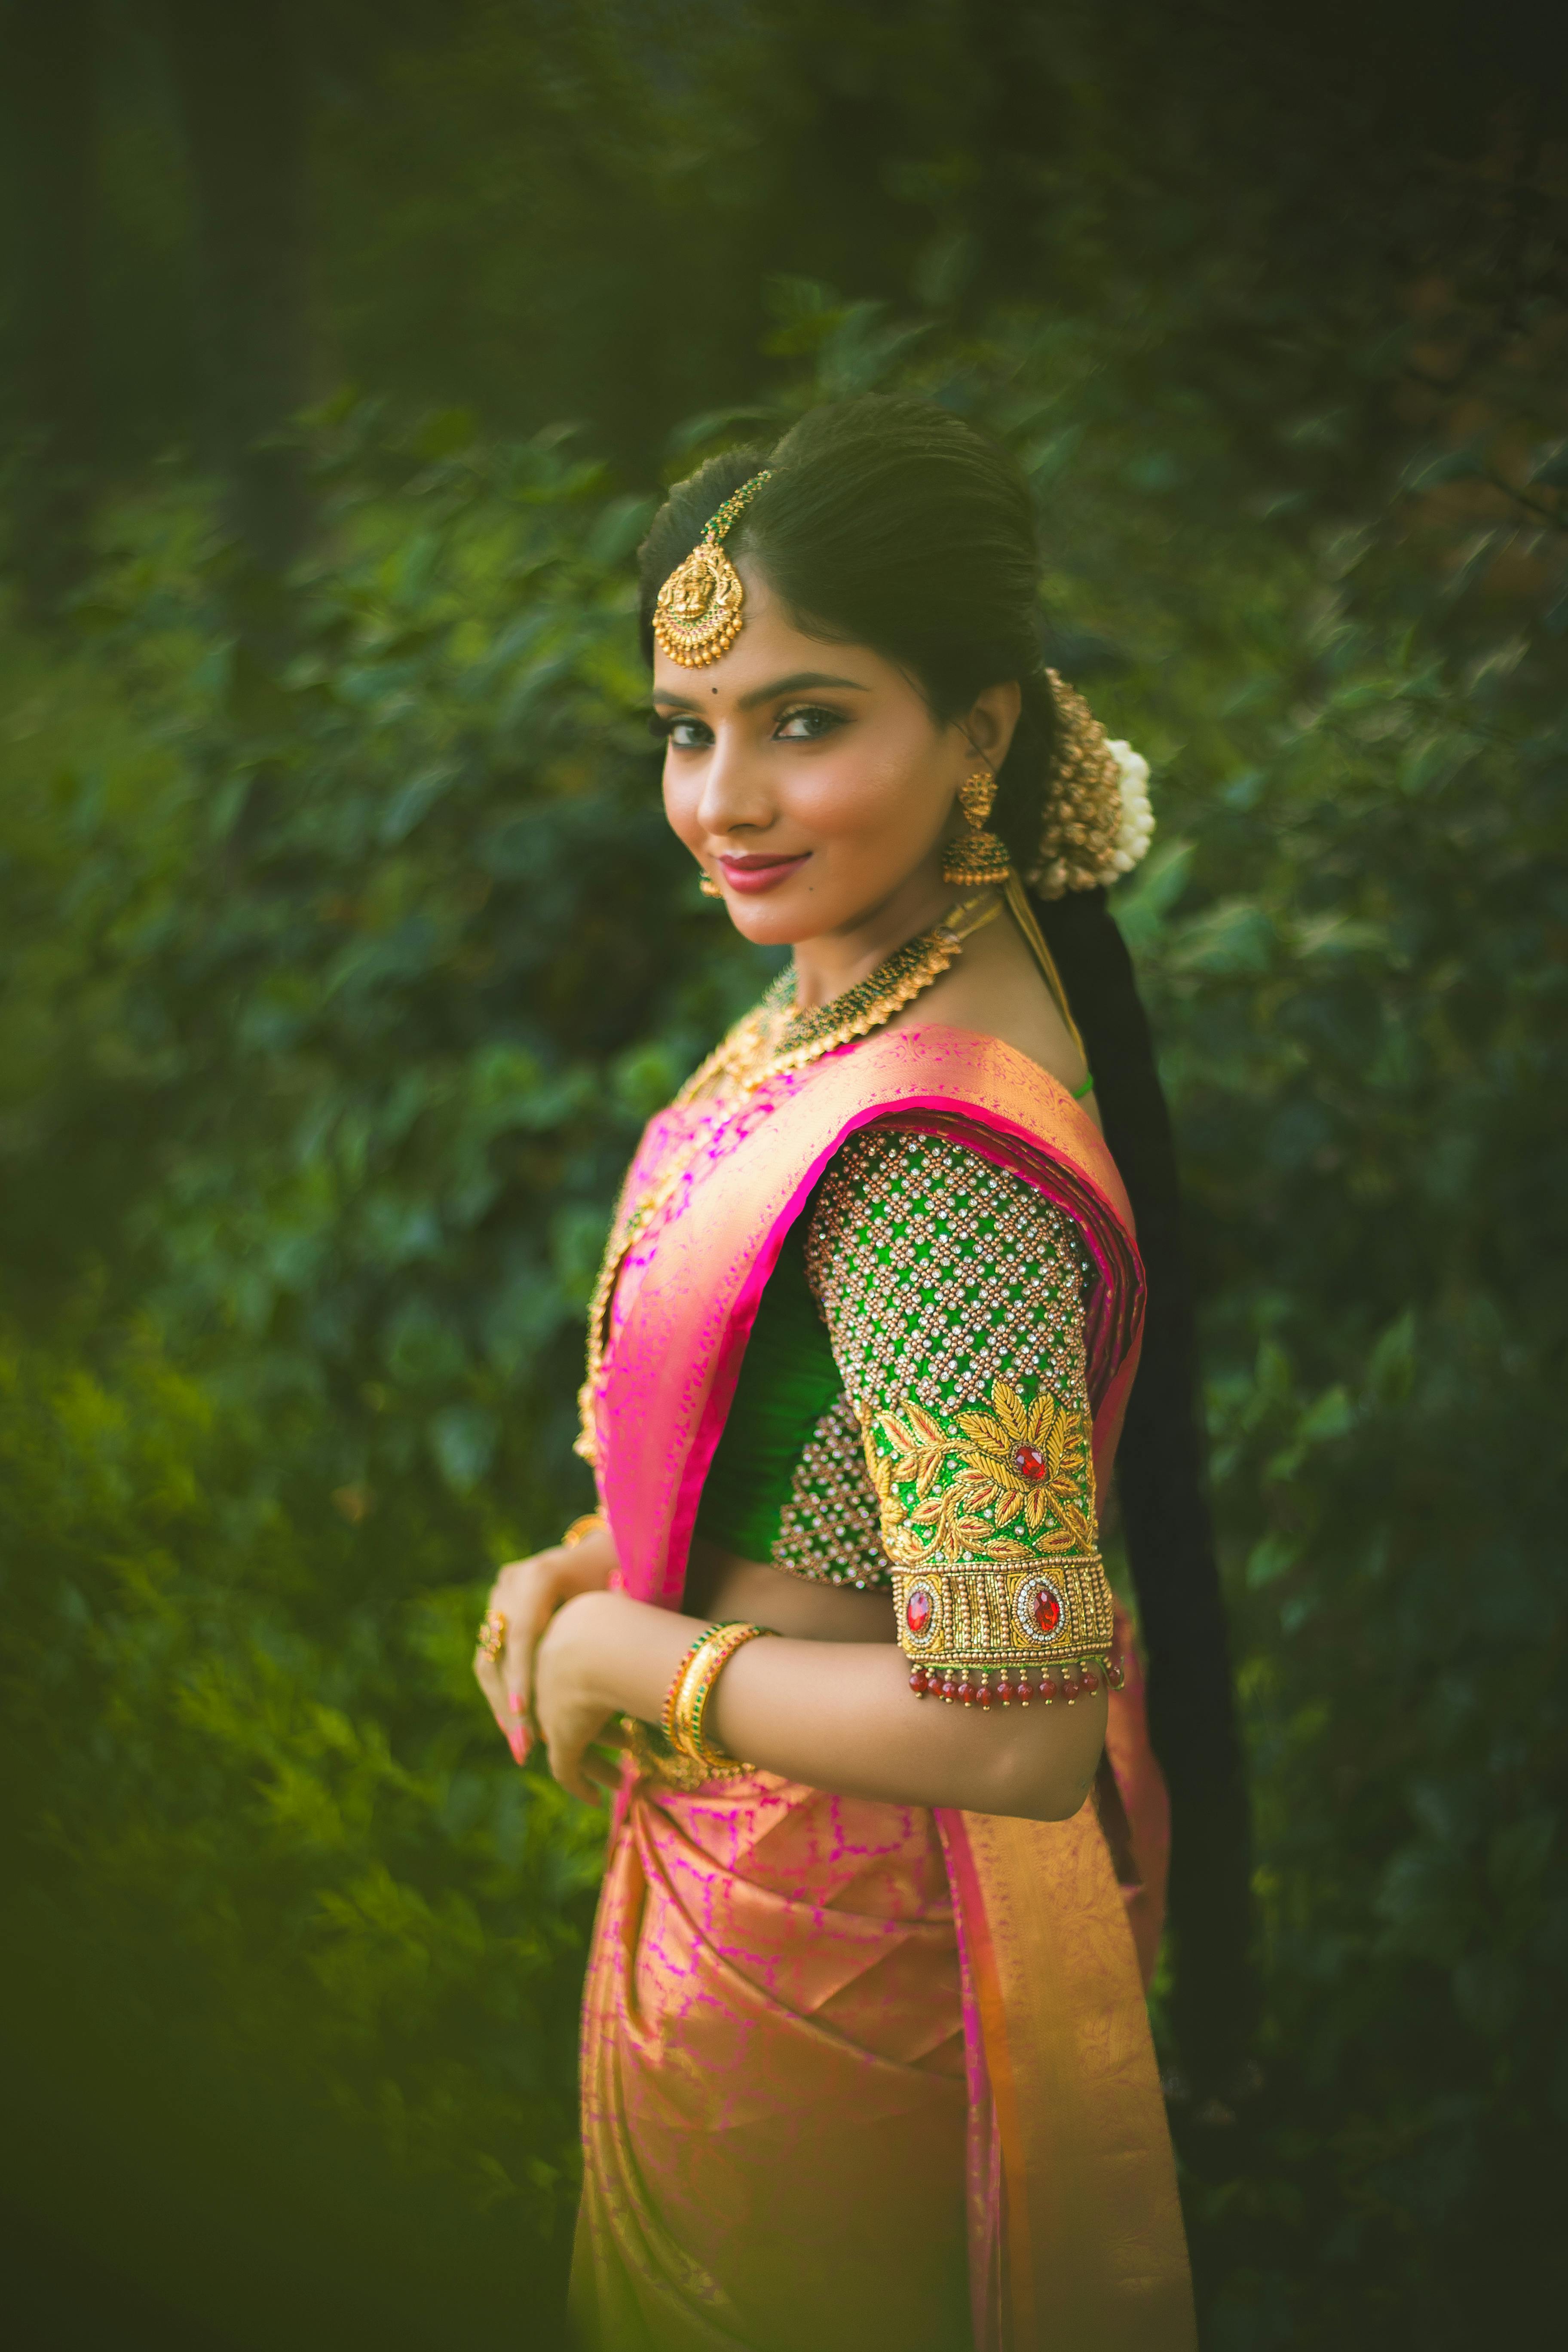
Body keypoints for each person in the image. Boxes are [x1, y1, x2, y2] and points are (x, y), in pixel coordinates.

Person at [474, 395, 1233, 2349]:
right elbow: (815, 1441)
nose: (726, 800)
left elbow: (1015, 1728)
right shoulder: (858, 975)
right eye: (687, 730)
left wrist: (634, 1658)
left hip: (855, 1957)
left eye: (805, 721)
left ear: (980, 731)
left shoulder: (933, 1161)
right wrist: (599, 1560)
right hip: (767, 1881)